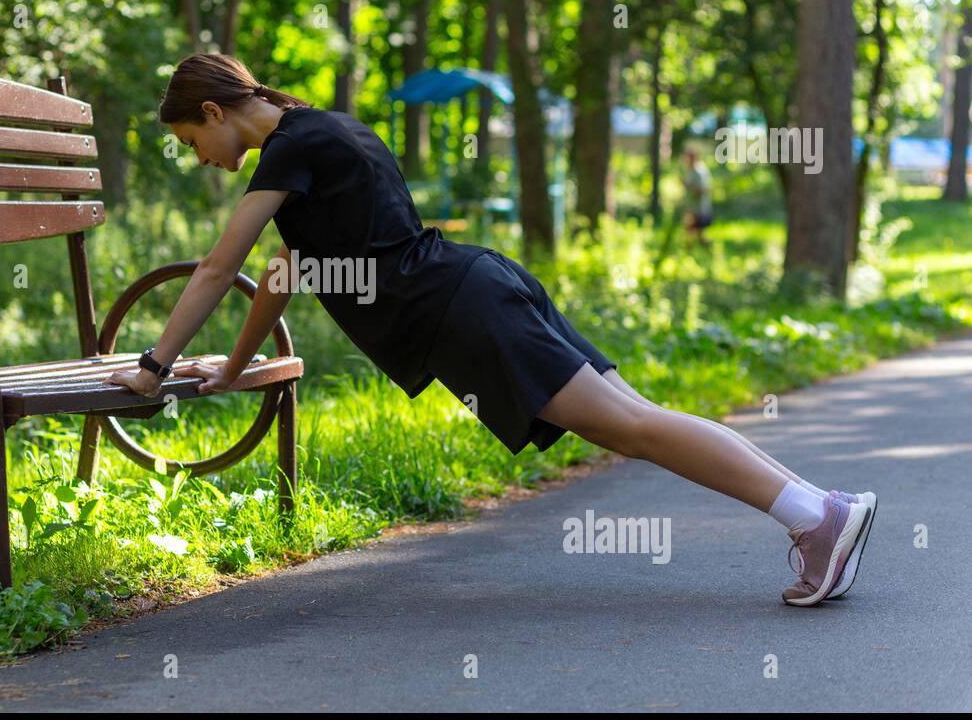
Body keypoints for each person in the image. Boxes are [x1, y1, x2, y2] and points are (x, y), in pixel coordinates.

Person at [108, 53, 875, 607]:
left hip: (462, 309)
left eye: (188, 142)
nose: (201, 160)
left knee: (636, 429)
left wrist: (151, 365)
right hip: (478, 285)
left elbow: (217, 268)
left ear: (213, 112)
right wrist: (237, 365)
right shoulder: (320, 135)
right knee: (640, 420)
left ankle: (814, 518)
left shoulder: (291, 147)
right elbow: (284, 270)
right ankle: (819, 507)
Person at [681, 150, 714, 245]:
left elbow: (703, 190)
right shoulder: (694, 170)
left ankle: (693, 247)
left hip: (697, 207)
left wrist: (687, 186)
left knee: (693, 230)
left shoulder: (698, 171)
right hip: (694, 206)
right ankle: (697, 247)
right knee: (694, 231)